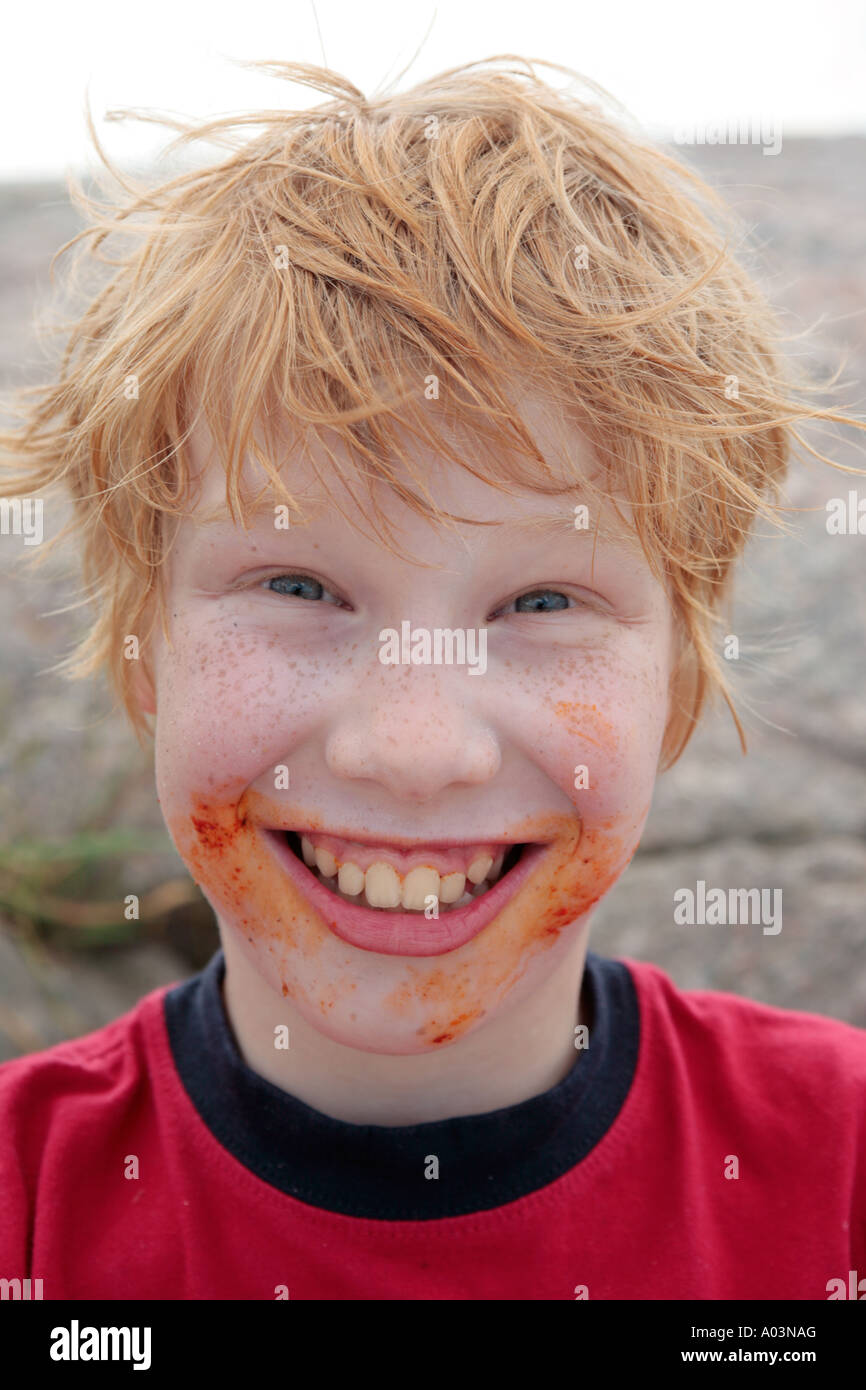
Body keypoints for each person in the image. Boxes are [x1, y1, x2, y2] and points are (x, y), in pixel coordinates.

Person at [1, 56, 864, 1300]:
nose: (410, 748)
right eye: (298, 589)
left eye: (540, 603)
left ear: (675, 686)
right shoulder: (27, 1209)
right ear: (143, 652)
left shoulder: (831, 1180)